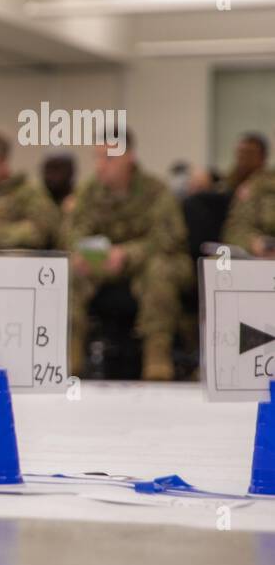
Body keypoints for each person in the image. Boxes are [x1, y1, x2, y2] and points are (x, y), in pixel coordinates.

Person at [65, 130, 188, 381]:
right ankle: (69, 360)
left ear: (129, 157)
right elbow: (72, 233)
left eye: (108, 158)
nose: (101, 165)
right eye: (97, 157)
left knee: (160, 271)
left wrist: (127, 254)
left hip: (146, 263)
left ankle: (157, 358)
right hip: (102, 265)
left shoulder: (156, 191)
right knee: (68, 272)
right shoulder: (89, 193)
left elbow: (168, 239)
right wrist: (82, 254)